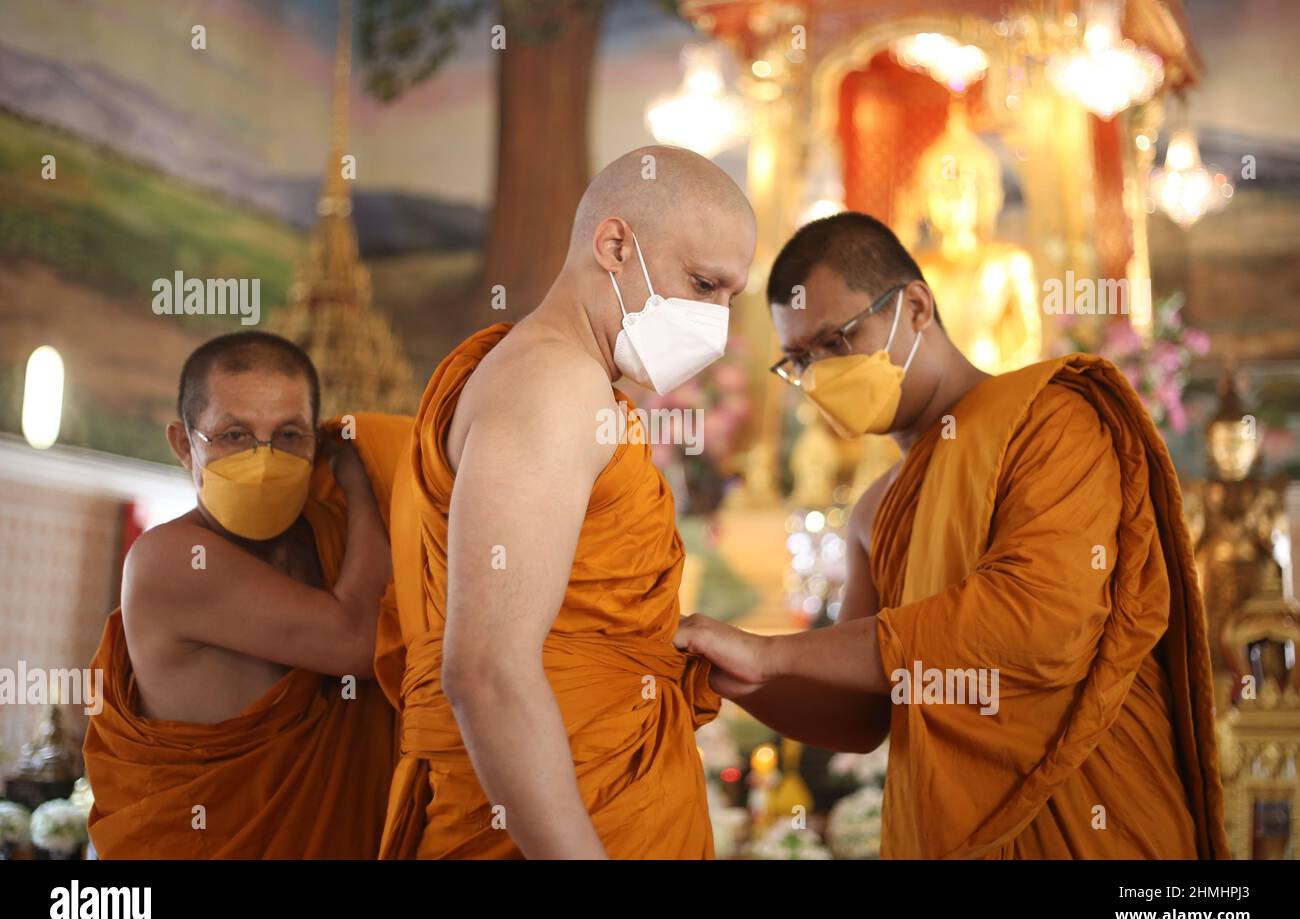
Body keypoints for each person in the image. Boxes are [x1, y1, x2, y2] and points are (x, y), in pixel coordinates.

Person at [675, 212, 1230, 859]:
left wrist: (772, 654)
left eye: (836, 341)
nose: (821, 372)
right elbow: (856, 717)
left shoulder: (1051, 419)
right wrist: (715, 673)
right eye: (800, 359)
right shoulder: (876, 507)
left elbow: (1036, 619)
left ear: (915, 306)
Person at [378, 145, 756, 859]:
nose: (717, 322)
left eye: (731, 298)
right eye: (704, 284)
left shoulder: (565, 381)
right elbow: (487, 670)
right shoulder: (554, 385)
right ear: (615, 245)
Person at [84, 331, 407, 858]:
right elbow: (360, 640)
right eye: (234, 435)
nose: (263, 460)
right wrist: (361, 483)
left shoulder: (331, 539)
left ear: (315, 443)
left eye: (288, 436)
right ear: (184, 445)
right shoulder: (170, 560)